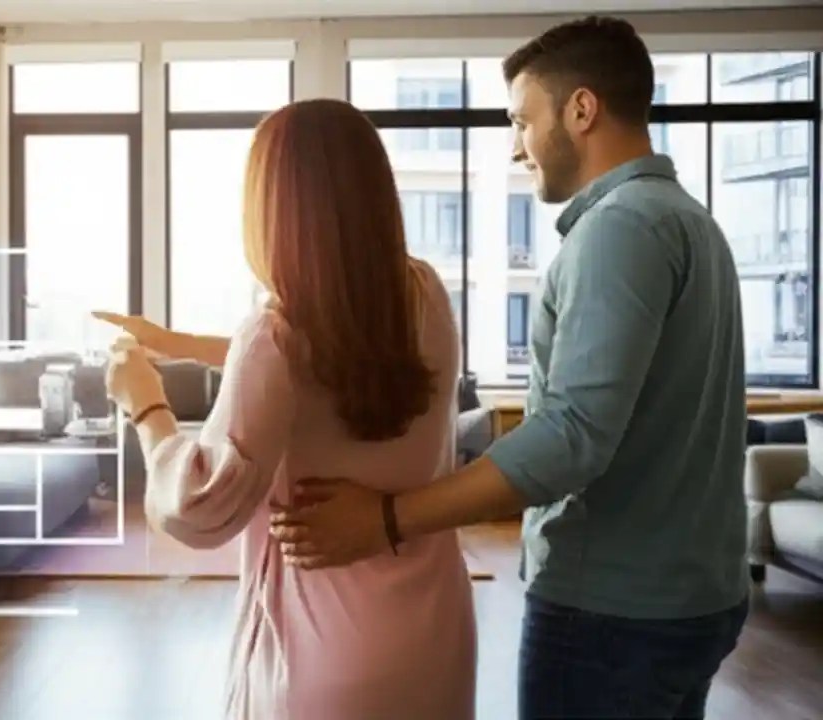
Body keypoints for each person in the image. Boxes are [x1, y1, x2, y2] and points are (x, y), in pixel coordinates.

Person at [268, 16, 750, 720]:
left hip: (613, 613)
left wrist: (388, 518)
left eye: (522, 120)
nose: (517, 146)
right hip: (699, 598)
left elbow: (572, 436)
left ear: (581, 109)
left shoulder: (619, 229)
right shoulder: (689, 221)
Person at [97, 98, 476, 720]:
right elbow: (325, 360)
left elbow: (198, 508)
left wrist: (144, 402)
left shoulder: (274, 337)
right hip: (434, 634)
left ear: (271, 209)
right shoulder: (424, 293)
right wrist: (177, 344)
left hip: (322, 654)